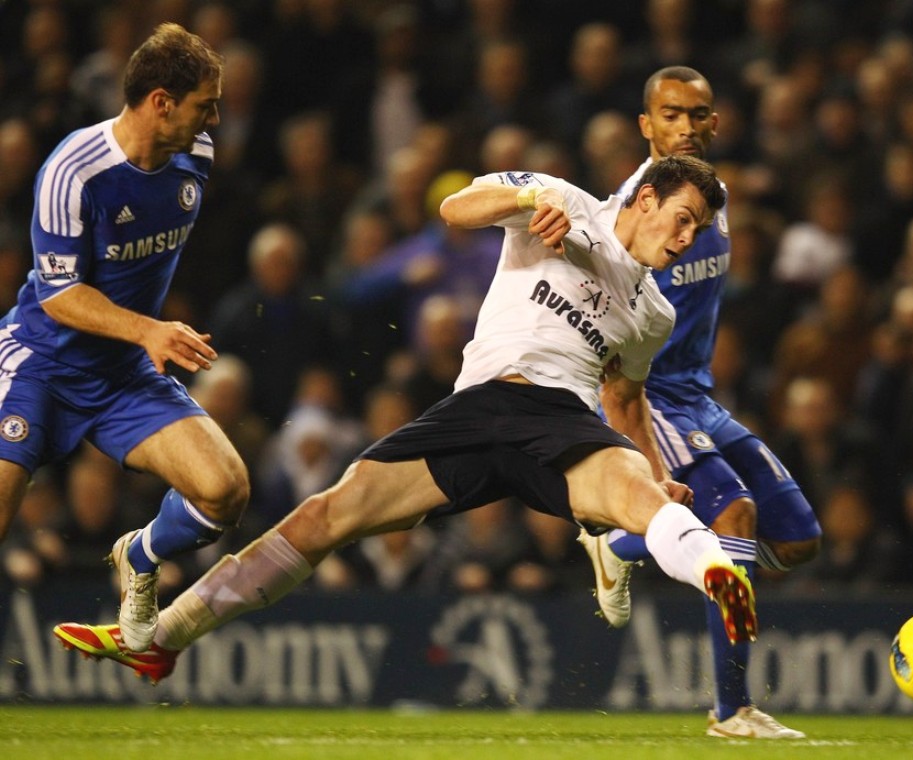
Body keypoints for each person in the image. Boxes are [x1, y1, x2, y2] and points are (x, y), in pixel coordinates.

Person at [52, 155, 753, 687]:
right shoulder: (564, 201)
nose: (687, 238)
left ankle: (718, 576)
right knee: (324, 517)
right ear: (646, 197)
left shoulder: (654, 312)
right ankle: (163, 639)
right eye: (683, 218)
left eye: (697, 229)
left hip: (559, 420)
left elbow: (624, 401)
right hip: (477, 409)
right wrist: (528, 199)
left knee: (639, 491)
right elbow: (454, 209)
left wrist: (658, 474)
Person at [576, 66, 821, 740]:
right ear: (645, 125)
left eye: (698, 114)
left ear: (716, 122)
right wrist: (634, 450)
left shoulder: (714, 194)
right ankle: (732, 711)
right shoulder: (631, 212)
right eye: (671, 114)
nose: (686, 126)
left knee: (796, 541)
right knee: (733, 516)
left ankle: (621, 544)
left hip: (697, 395)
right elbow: (606, 333)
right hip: (646, 393)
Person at [0, 24, 249, 654]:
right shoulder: (73, 171)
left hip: (123, 373)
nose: (215, 119)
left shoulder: (197, 156)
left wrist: (148, 333)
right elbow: (59, 295)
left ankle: (139, 555)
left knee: (226, 491)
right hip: (40, 364)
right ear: (162, 102)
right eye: (205, 105)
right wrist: (149, 329)